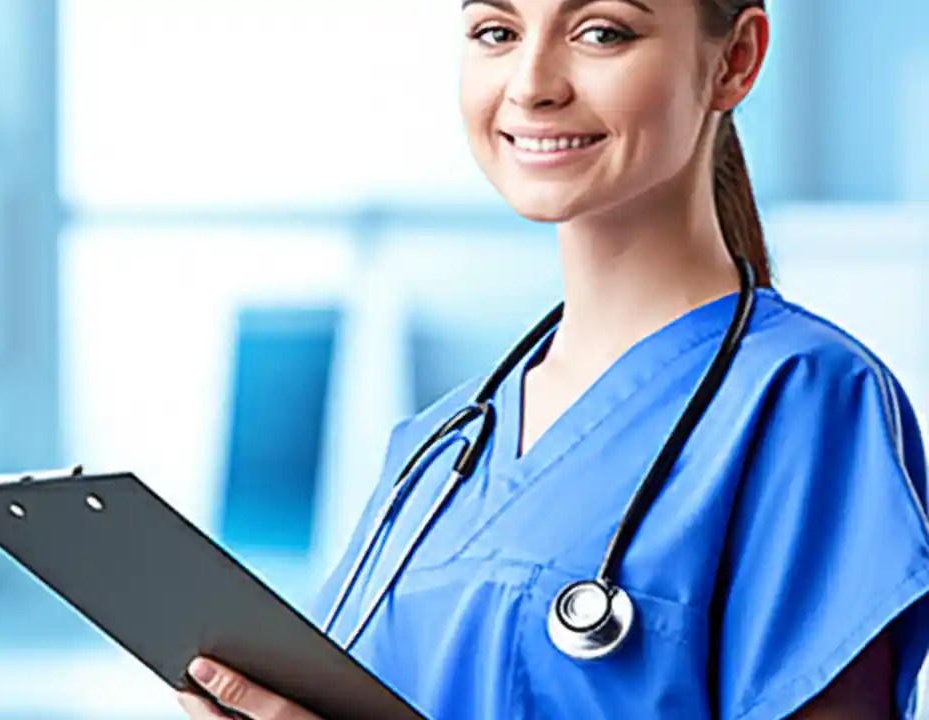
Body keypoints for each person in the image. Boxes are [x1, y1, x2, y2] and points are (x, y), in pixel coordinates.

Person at [177, 0, 929, 717]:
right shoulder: (435, 450)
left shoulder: (804, 402)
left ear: (735, 59)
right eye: (497, 32)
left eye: (601, 32)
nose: (533, 85)